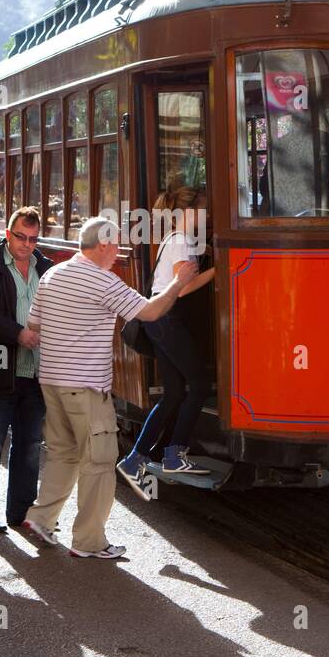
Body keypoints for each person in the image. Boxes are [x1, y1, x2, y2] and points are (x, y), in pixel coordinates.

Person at [21, 217, 197, 559]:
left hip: (52, 382)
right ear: (102, 245)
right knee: (99, 461)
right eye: (116, 244)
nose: (118, 252)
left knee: (64, 453)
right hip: (85, 386)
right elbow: (149, 312)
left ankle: (41, 518)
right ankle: (88, 542)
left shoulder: (53, 275)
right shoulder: (102, 280)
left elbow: (33, 325)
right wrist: (177, 282)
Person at [117, 188, 217, 492]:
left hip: (158, 320)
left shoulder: (174, 240)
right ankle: (174, 455)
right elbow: (183, 288)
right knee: (198, 385)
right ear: (188, 213)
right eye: (203, 209)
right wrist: (218, 270)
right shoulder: (181, 242)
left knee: (174, 392)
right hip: (167, 320)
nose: (207, 215)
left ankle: (136, 459)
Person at [0, 206, 52, 533]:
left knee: (29, 448)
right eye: (20, 237)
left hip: (36, 373)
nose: (26, 244)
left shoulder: (45, 268)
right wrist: (17, 333)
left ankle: (21, 513)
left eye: (32, 239)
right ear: (7, 234)